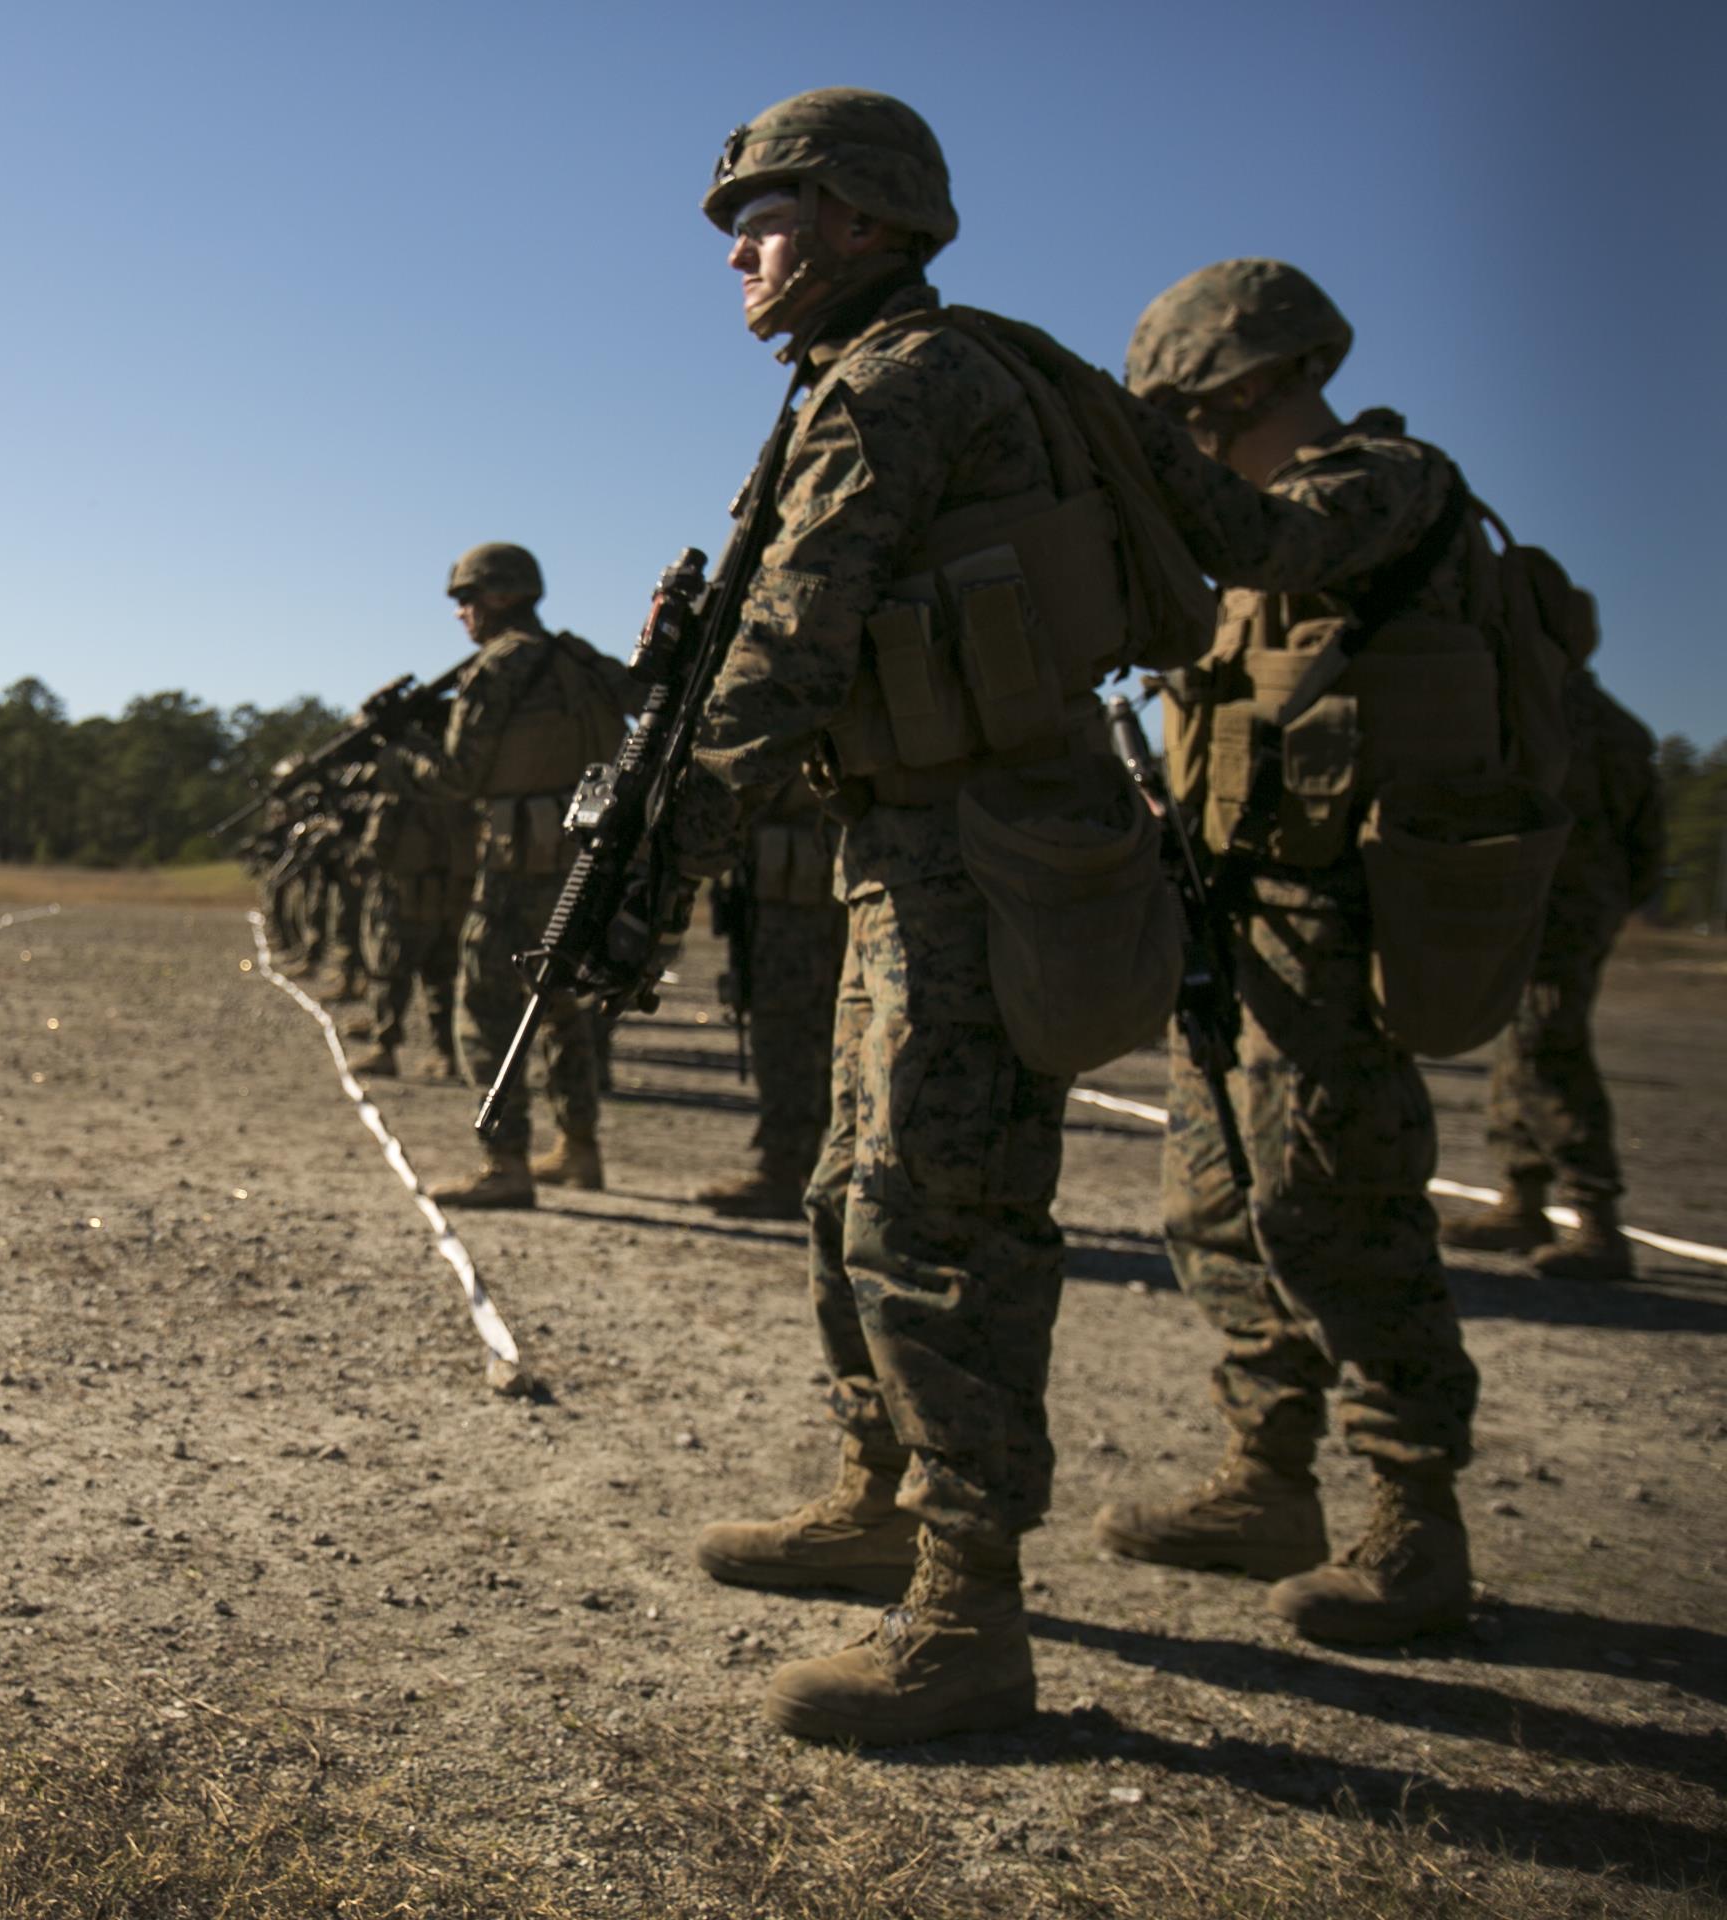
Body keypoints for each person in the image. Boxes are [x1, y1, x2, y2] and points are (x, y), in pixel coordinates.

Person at [670, 93, 1461, 1744]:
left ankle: (967, 1611)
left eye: (768, 215)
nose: (738, 252)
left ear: (867, 216)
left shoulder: (906, 379)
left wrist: (668, 832)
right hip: (925, 846)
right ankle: (879, 1498)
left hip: (982, 859)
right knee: (857, 1194)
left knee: (942, 1219)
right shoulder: (922, 371)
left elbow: (793, 640)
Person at [1093, 257, 1568, 1649]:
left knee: (1332, 1204)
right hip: (1238, 913)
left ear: (1244, 381)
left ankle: (1415, 1519)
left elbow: (1266, 544)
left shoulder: (1383, 485)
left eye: (1175, 412)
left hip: (1345, 919)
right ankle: (1269, 1479)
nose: (1177, 437)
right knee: (1211, 1207)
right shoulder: (1255, 528)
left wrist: (1120, 464)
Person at [384, 542, 631, 1206]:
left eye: (466, 598)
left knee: (486, 1007)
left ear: (499, 596)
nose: (461, 613)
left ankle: (506, 1163)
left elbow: (459, 777)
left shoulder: (497, 667)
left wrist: (400, 758)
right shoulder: (583, 661)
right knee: (562, 1005)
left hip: (520, 865)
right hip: (590, 863)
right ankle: (579, 1148)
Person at [1440, 616, 1664, 1280]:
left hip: (1557, 909)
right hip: (1572, 907)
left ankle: (1596, 1219)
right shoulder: (1616, 727)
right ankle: (1523, 1197)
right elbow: (1647, 844)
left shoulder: (1539, 716)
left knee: (1547, 1049)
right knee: (1521, 1044)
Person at [697, 758, 846, 1218]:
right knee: (813, 1024)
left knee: (786, 1027)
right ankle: (809, 1167)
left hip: (795, 886)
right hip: (796, 877)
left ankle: (786, 1170)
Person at [350, 777, 475, 1079]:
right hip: (452, 901)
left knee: (390, 977)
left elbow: (375, 849)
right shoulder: (457, 790)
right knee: (442, 980)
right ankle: (446, 1055)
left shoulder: (396, 796)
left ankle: (384, 1049)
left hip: (406, 902)